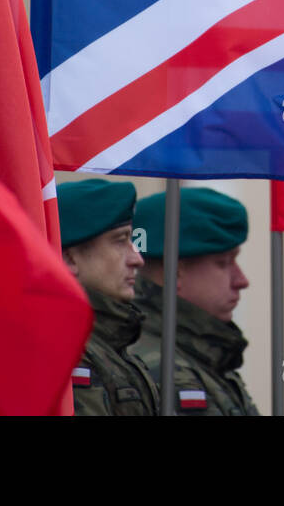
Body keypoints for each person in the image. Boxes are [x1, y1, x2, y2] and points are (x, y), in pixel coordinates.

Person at [130, 187, 261, 416]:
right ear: (176, 271)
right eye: (223, 263)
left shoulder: (206, 355)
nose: (242, 280)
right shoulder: (149, 365)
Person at [58, 178, 160, 416]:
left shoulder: (113, 347)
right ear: (70, 258)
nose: (137, 259)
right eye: (120, 241)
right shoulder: (69, 353)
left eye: (132, 240)